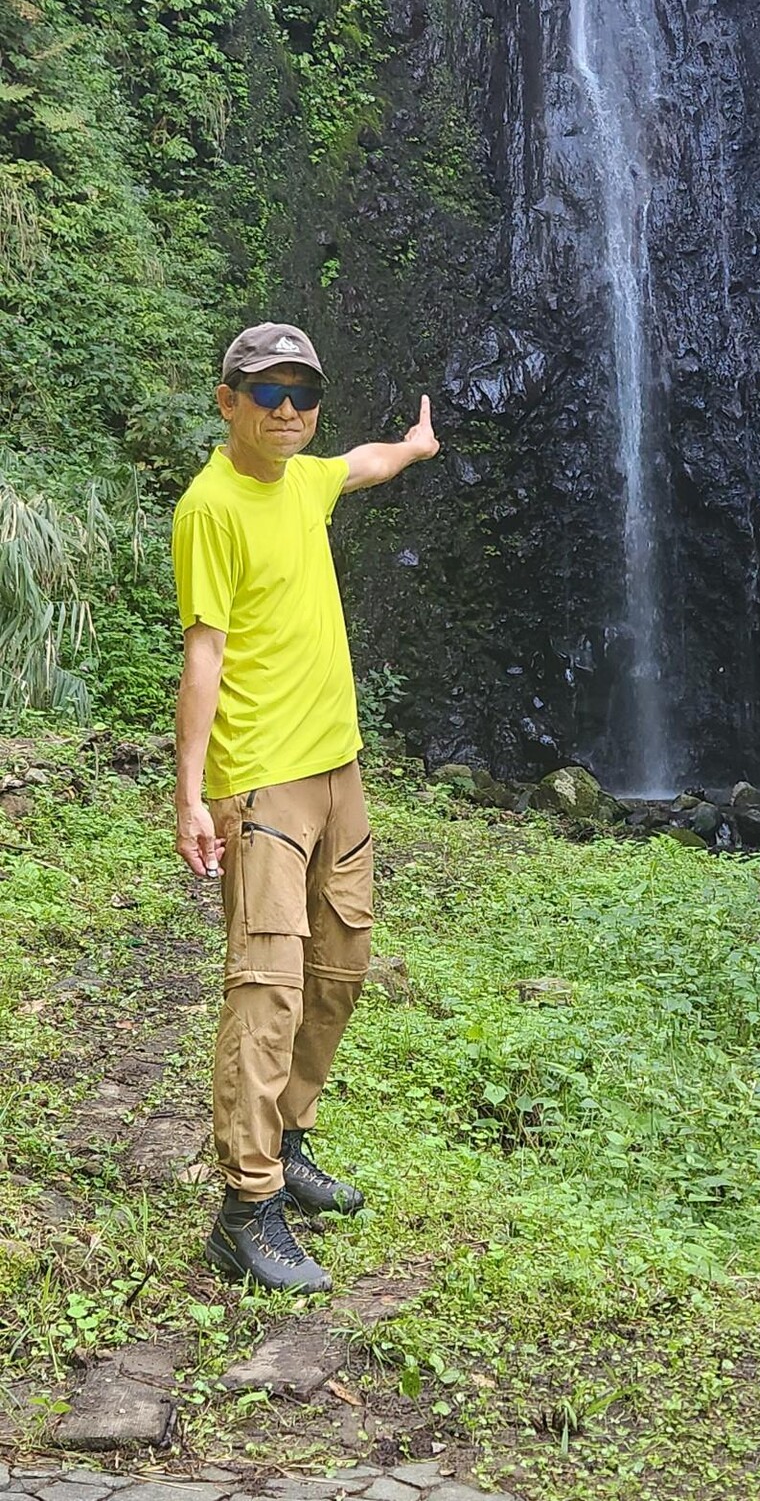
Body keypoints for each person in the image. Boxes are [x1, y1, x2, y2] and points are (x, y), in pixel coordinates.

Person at [171, 323, 439, 1293]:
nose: (287, 408)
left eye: (302, 391)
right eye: (266, 391)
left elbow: (355, 467)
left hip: (339, 767)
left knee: (339, 963)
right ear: (227, 401)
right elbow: (203, 654)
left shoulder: (303, 480)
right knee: (267, 983)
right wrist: (193, 792)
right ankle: (245, 1209)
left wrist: (410, 450)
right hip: (265, 780)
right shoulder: (212, 505)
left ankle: (286, 1139)